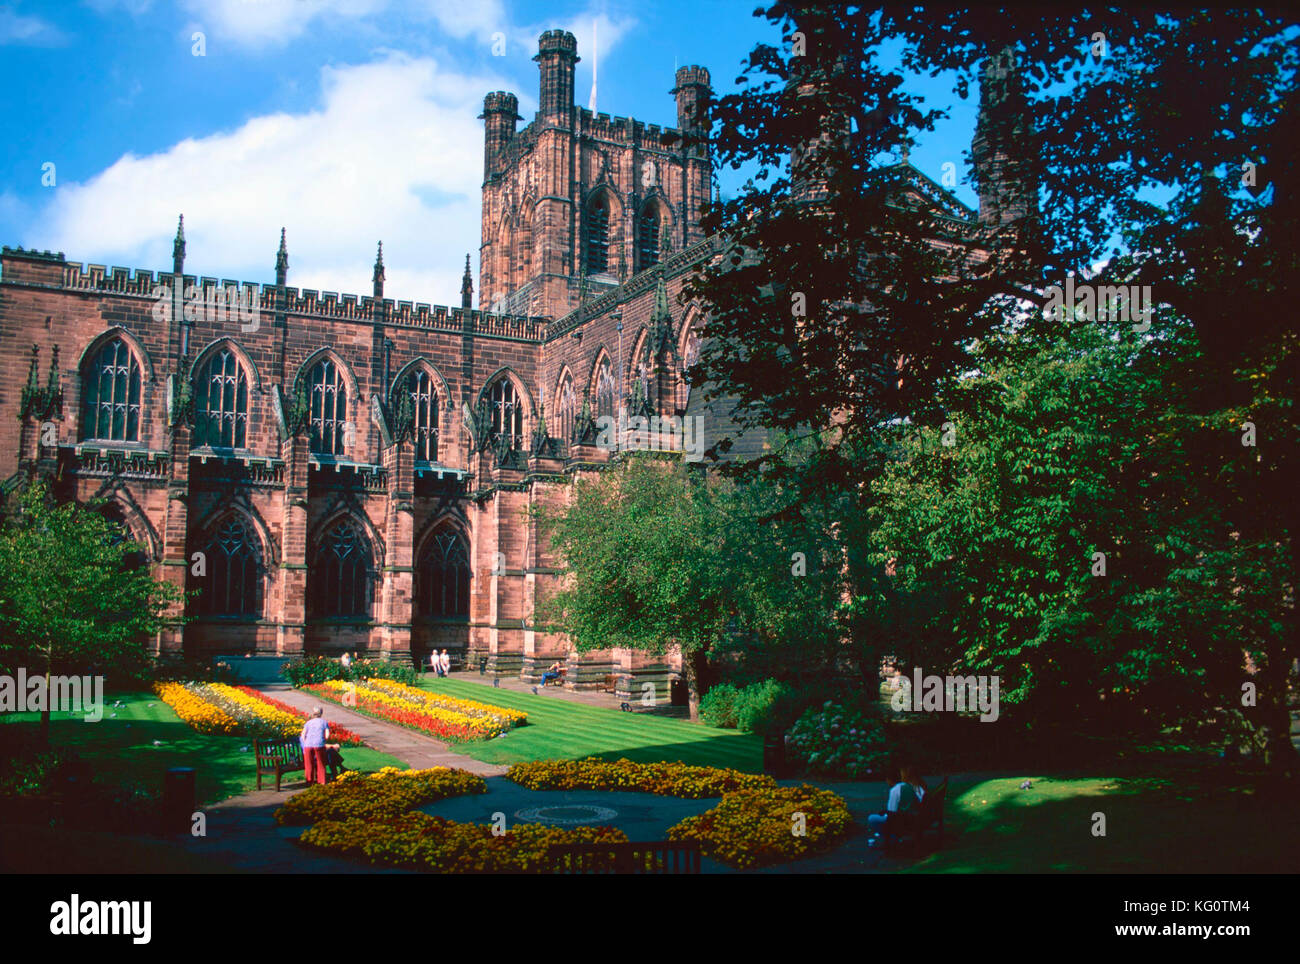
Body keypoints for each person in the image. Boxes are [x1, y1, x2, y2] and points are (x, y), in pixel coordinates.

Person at [867, 763, 927, 845]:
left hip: (903, 821)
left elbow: (891, 812)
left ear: (889, 780)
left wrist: (884, 814)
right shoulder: (908, 786)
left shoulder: (895, 790)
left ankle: (890, 836)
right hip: (913, 817)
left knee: (872, 818)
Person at [299, 707, 330, 786]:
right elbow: (327, 735)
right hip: (319, 744)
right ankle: (322, 781)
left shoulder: (308, 723)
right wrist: (324, 739)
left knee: (309, 763)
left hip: (308, 745)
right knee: (321, 762)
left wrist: (306, 742)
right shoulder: (324, 722)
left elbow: (303, 735)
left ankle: (309, 781)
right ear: (321, 714)